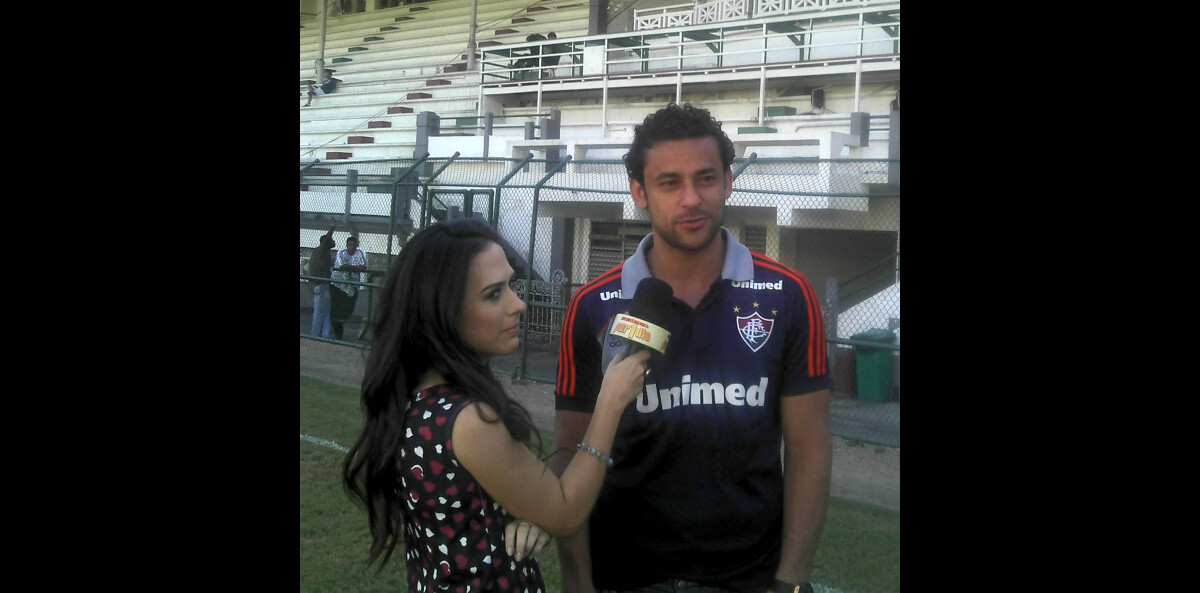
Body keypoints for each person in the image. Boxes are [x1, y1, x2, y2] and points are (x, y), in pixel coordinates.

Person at [550, 103, 832, 593]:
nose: (691, 199)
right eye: (669, 183)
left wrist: (793, 580)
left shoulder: (789, 295)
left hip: (750, 577)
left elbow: (809, 448)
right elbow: (568, 450)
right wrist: (578, 578)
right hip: (625, 573)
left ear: (727, 180)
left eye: (705, 179)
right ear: (638, 191)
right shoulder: (593, 305)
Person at [341, 219, 652, 593]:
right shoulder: (467, 420)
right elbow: (565, 512)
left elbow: (474, 504)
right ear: (442, 311)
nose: (518, 304)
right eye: (493, 294)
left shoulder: (418, 398)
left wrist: (523, 514)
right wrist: (610, 403)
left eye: (512, 286)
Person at [330, 234, 367, 340]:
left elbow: (363, 267)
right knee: (335, 309)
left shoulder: (359, 253)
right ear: (346, 245)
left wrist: (350, 267)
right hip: (337, 284)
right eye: (350, 245)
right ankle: (337, 334)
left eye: (354, 245)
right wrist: (356, 268)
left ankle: (339, 325)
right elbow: (342, 266)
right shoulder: (341, 252)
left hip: (351, 285)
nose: (352, 247)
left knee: (349, 308)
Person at [308, 221, 337, 338]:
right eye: (331, 240)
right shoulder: (322, 249)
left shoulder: (318, 252)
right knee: (319, 313)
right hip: (321, 285)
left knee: (325, 312)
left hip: (320, 285)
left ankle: (324, 335)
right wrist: (332, 228)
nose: (333, 241)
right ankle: (315, 335)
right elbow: (326, 241)